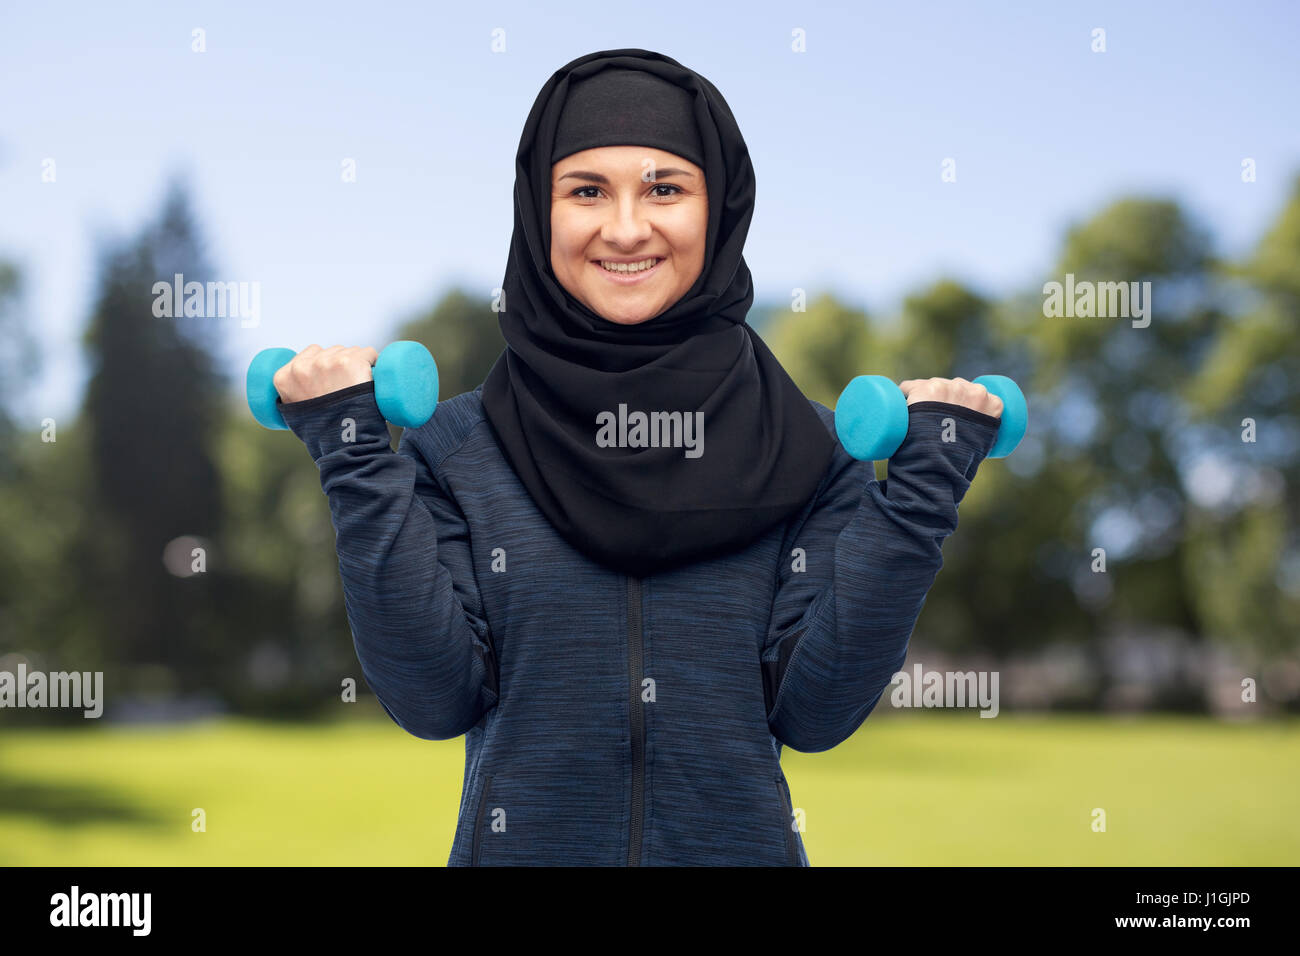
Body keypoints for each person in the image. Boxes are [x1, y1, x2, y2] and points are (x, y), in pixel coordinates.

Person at [273, 48, 1004, 866]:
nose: (625, 228)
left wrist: (925, 484)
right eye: (586, 190)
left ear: (718, 208)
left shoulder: (813, 454)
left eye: (665, 188)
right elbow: (433, 698)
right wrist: (352, 447)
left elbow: (816, 712)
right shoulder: (456, 450)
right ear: (537, 212)